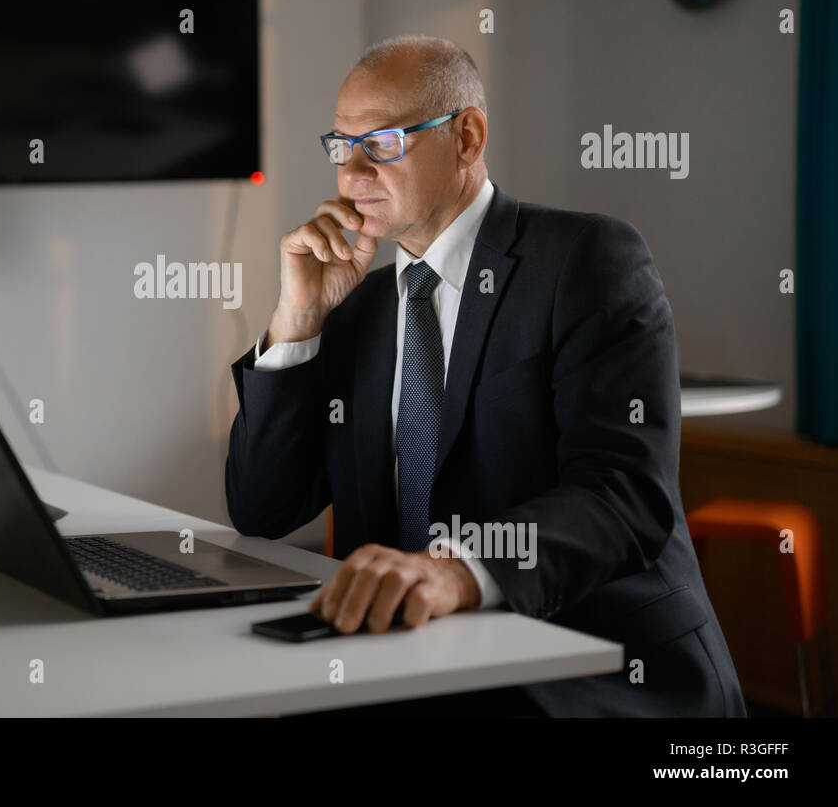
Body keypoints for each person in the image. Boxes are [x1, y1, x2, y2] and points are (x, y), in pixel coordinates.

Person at [225, 35, 746, 717]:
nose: (350, 172)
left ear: (466, 137)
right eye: (339, 144)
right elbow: (262, 510)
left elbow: (623, 495)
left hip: (590, 671)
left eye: (380, 142)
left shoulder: (587, 260)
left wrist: (454, 572)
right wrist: (296, 319)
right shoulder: (355, 309)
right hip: (405, 671)